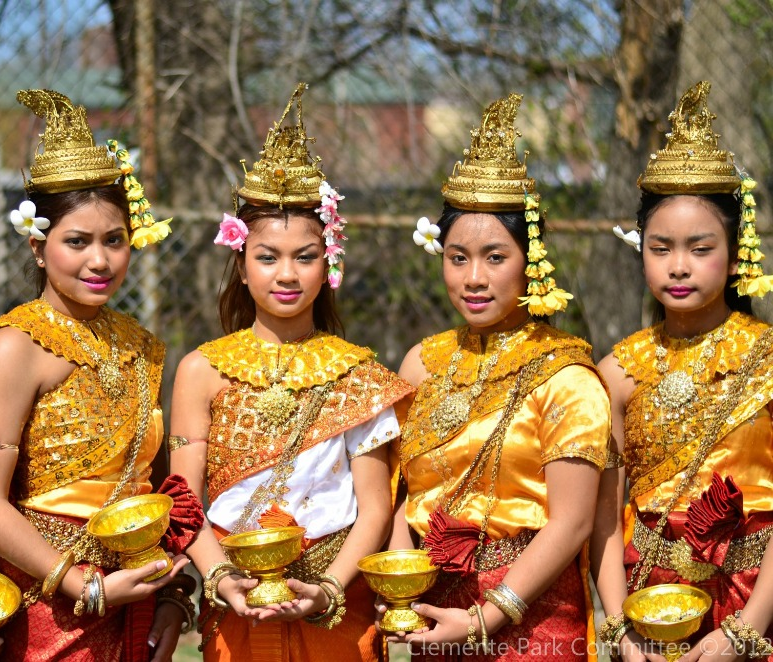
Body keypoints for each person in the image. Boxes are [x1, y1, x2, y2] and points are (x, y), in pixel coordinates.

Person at [168, 83, 414, 662]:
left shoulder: (358, 373)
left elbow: (375, 506)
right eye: (267, 256)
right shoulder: (201, 370)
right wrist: (221, 578)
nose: (286, 273)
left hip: (336, 602)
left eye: (305, 256)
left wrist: (331, 588)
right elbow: (183, 496)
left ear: (328, 262)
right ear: (241, 262)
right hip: (236, 599)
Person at [0, 89, 200, 662]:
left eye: (114, 241)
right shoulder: (14, 347)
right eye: (78, 242)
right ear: (38, 247)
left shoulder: (140, 345)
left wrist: (175, 597)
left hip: (138, 595)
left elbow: (159, 489)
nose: (101, 261)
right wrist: (83, 586)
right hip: (48, 607)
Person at [391, 93, 611, 661]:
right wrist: (398, 589)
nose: (474, 278)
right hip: (434, 608)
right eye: (457, 257)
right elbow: (399, 497)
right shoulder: (421, 364)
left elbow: (573, 522)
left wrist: (486, 619)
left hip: (531, 617)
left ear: (530, 261)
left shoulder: (567, 376)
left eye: (495, 257)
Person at [592, 81, 773, 662]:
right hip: (644, 605)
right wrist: (619, 627)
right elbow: (603, 520)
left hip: (753, 605)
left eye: (700, 248)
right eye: (660, 247)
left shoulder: (768, 358)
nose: (677, 267)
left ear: (736, 248)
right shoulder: (617, 370)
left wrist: (745, 631)